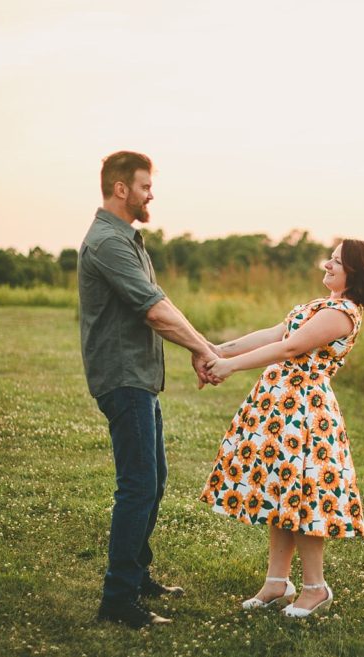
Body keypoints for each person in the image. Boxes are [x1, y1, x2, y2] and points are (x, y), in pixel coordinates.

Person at [200, 239, 364, 618]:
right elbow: (273, 335)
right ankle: (277, 582)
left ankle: (315, 588)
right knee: (281, 491)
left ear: (355, 271)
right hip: (281, 406)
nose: (327, 265)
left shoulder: (343, 313)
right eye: (329, 259)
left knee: (304, 497)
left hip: (306, 413)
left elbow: (289, 349)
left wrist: (231, 368)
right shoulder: (319, 305)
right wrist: (218, 350)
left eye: (336, 261)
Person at [78, 150, 221, 628]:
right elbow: (154, 311)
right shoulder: (108, 243)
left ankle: (136, 576)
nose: (150, 194)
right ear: (121, 189)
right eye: (144, 186)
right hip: (122, 377)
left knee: (152, 480)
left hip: (139, 377)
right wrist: (205, 352)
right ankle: (118, 601)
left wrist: (202, 344)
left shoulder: (130, 240)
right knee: (137, 486)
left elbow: (162, 302)